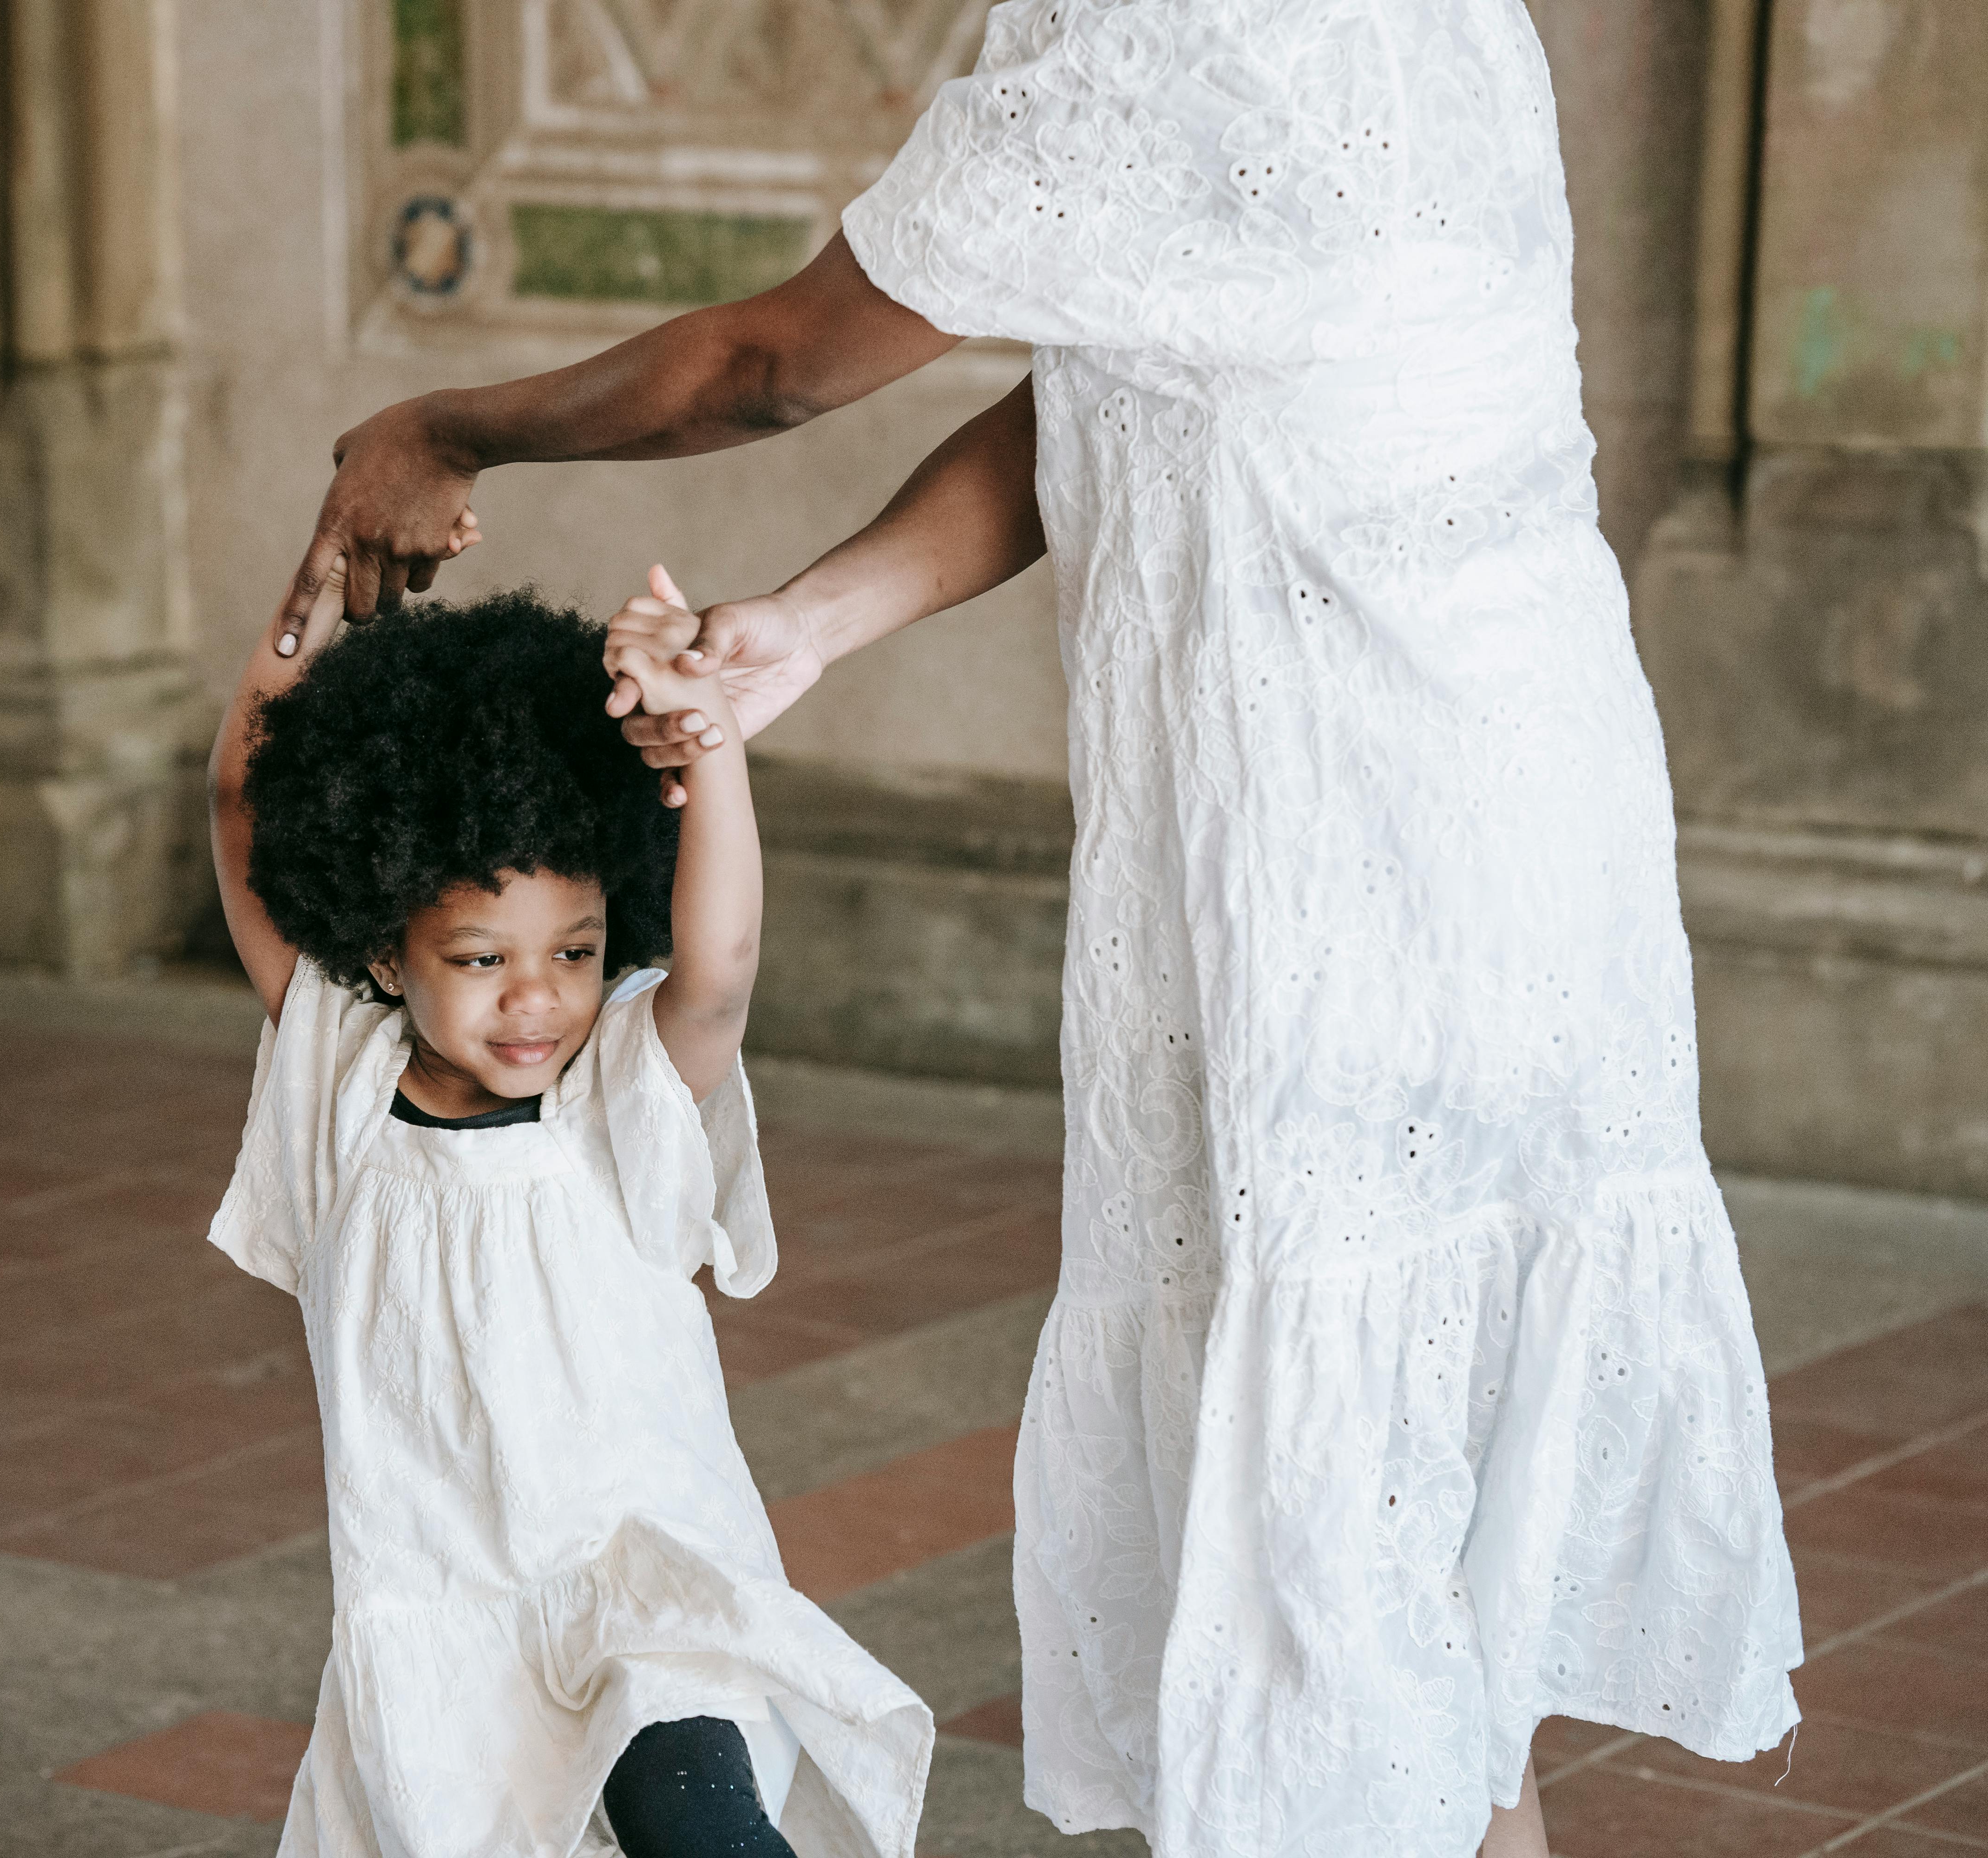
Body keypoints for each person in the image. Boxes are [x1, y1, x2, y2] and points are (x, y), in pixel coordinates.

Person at [277, 5, 1804, 1857]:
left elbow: (769, 363)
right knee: (1403, 1568)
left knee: (1327, 1590)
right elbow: (1129, 363)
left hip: (1343, 872)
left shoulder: (1161, 28)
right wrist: (819, 620)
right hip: (1534, 841)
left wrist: (449, 426)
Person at [205, 558, 934, 1858]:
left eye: (576, 952)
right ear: (381, 948)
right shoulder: (337, 1080)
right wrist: (311, 604)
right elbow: (236, 805)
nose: (536, 999)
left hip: (641, 1588)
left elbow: (719, 971)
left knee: (705, 1829)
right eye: (482, 960)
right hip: (440, 1610)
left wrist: (706, 740)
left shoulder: (622, 1098)